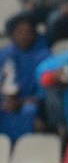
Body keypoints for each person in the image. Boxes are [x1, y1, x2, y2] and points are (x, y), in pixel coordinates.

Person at [0, 14, 49, 143]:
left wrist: (20, 103)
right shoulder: (5, 54)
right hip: (6, 103)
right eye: (19, 32)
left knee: (29, 112)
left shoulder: (43, 56)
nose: (24, 36)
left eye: (28, 32)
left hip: (32, 105)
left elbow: (43, 93)